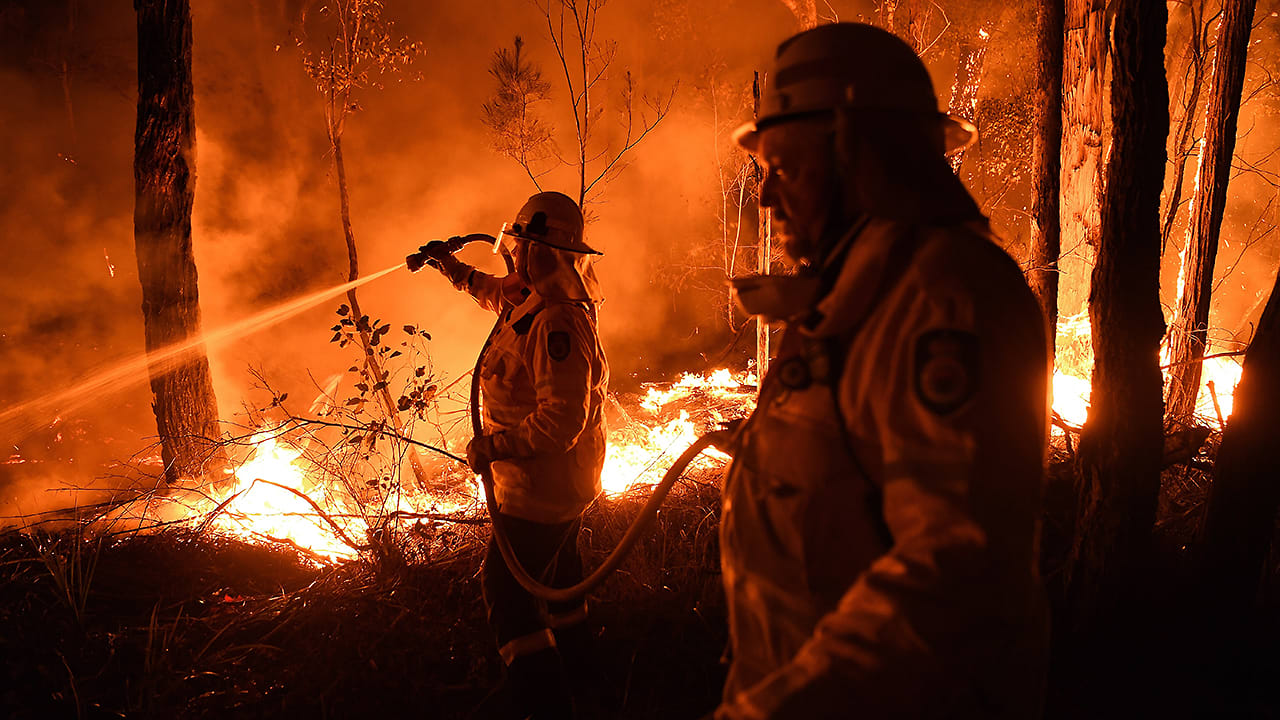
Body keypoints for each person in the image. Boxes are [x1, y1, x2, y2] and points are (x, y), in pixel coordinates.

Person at [713, 23, 1051, 719]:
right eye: (763, 171)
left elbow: (954, 576)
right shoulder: (859, 291)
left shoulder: (945, 298)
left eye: (786, 167)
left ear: (856, 154)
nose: (767, 197)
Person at [417, 191, 608, 719]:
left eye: (522, 245)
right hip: (552, 486)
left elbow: (560, 422)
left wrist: (491, 447)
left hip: (542, 491)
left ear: (544, 251)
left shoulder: (558, 323)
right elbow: (492, 293)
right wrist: (448, 266)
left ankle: (542, 702)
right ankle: (586, 686)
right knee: (562, 585)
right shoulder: (533, 297)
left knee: (508, 594)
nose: (513, 254)